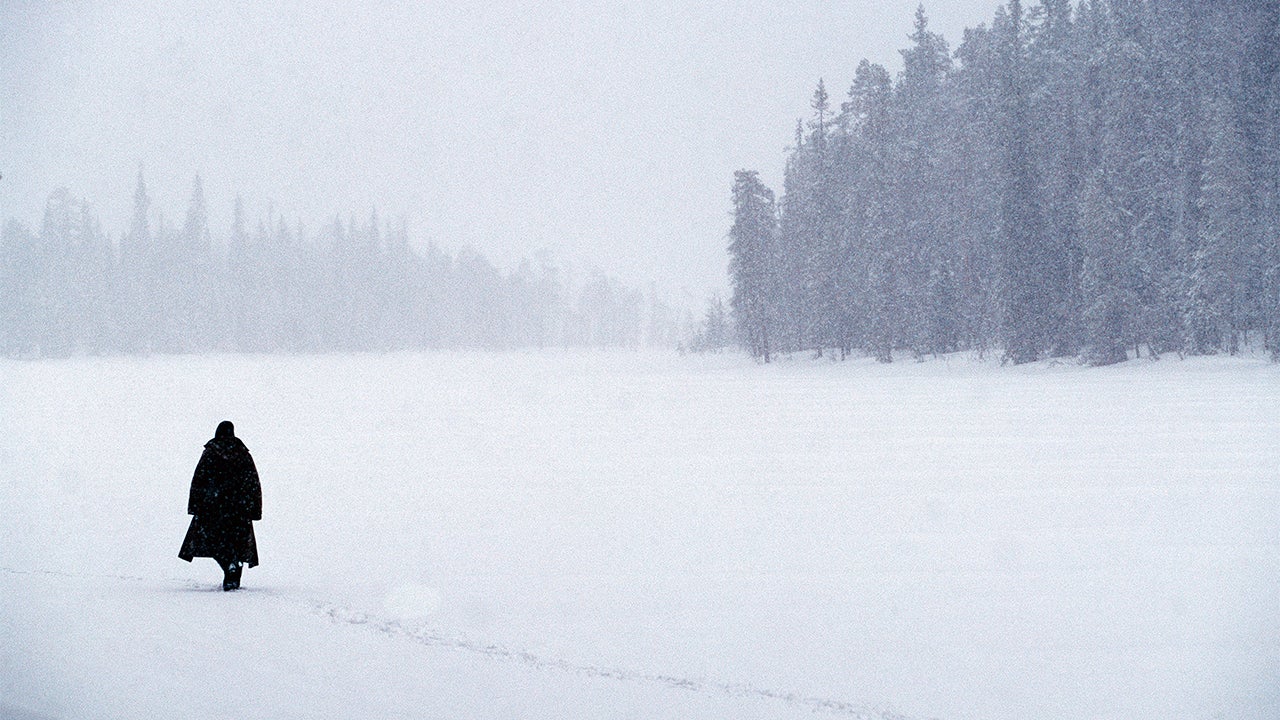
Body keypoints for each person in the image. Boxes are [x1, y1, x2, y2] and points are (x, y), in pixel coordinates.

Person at [178, 420, 262, 591]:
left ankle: (229, 565)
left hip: (213, 506)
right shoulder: (243, 454)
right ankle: (233, 572)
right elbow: (253, 481)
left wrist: (195, 504)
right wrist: (254, 508)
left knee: (214, 540)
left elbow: (199, 480)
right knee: (237, 541)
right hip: (239, 507)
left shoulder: (210, 452)